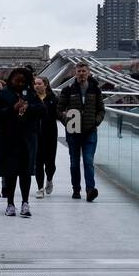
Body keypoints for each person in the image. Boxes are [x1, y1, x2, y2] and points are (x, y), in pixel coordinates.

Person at [0, 67, 44, 217]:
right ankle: (10, 204)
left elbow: (42, 110)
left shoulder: (30, 94)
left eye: (23, 81)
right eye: (17, 81)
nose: (20, 84)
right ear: (11, 80)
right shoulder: (2, 94)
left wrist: (28, 107)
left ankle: (25, 203)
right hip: (8, 139)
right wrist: (11, 109)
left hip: (27, 139)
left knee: (26, 172)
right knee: (10, 172)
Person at [57, 62, 105, 202]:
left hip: (90, 131)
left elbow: (101, 110)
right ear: (75, 73)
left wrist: (96, 121)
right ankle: (76, 189)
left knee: (88, 161)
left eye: (84, 71)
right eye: (79, 71)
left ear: (89, 72)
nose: (81, 73)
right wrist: (67, 121)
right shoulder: (68, 90)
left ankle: (90, 189)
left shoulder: (95, 90)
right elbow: (59, 110)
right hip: (73, 131)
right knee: (74, 163)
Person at [32, 76, 58, 198]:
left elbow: (60, 114)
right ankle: (40, 188)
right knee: (38, 163)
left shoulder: (53, 99)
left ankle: (49, 179)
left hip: (50, 135)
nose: (36, 86)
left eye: (39, 83)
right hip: (36, 135)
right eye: (35, 84)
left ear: (45, 85)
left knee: (50, 163)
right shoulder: (31, 99)